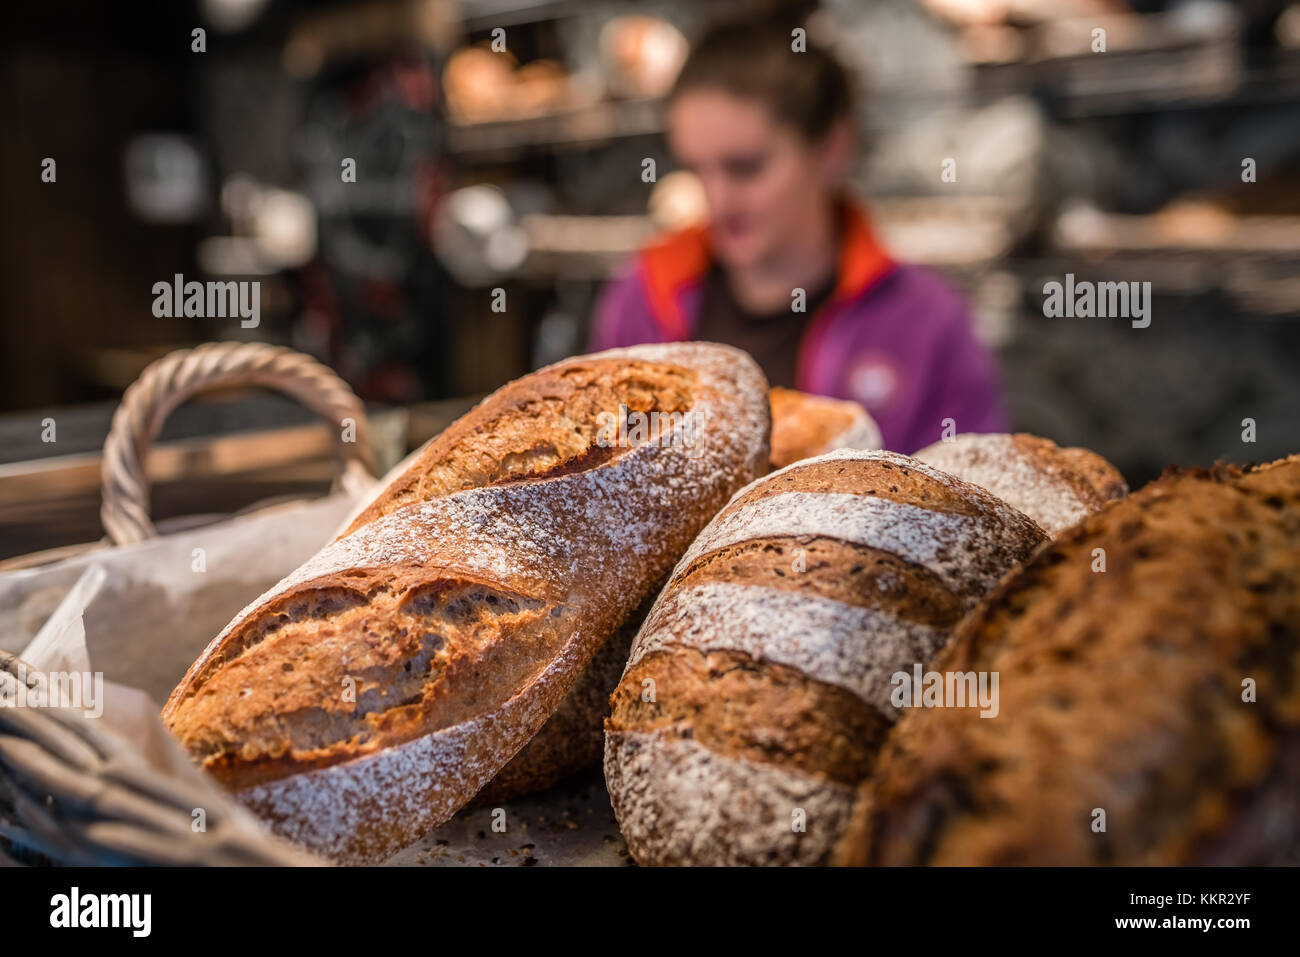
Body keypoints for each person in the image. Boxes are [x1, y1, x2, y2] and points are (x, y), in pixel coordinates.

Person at [588, 18, 1007, 453]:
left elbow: (969, 496)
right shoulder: (642, 298)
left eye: (745, 168)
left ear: (832, 149)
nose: (717, 200)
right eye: (696, 169)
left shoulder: (927, 322)